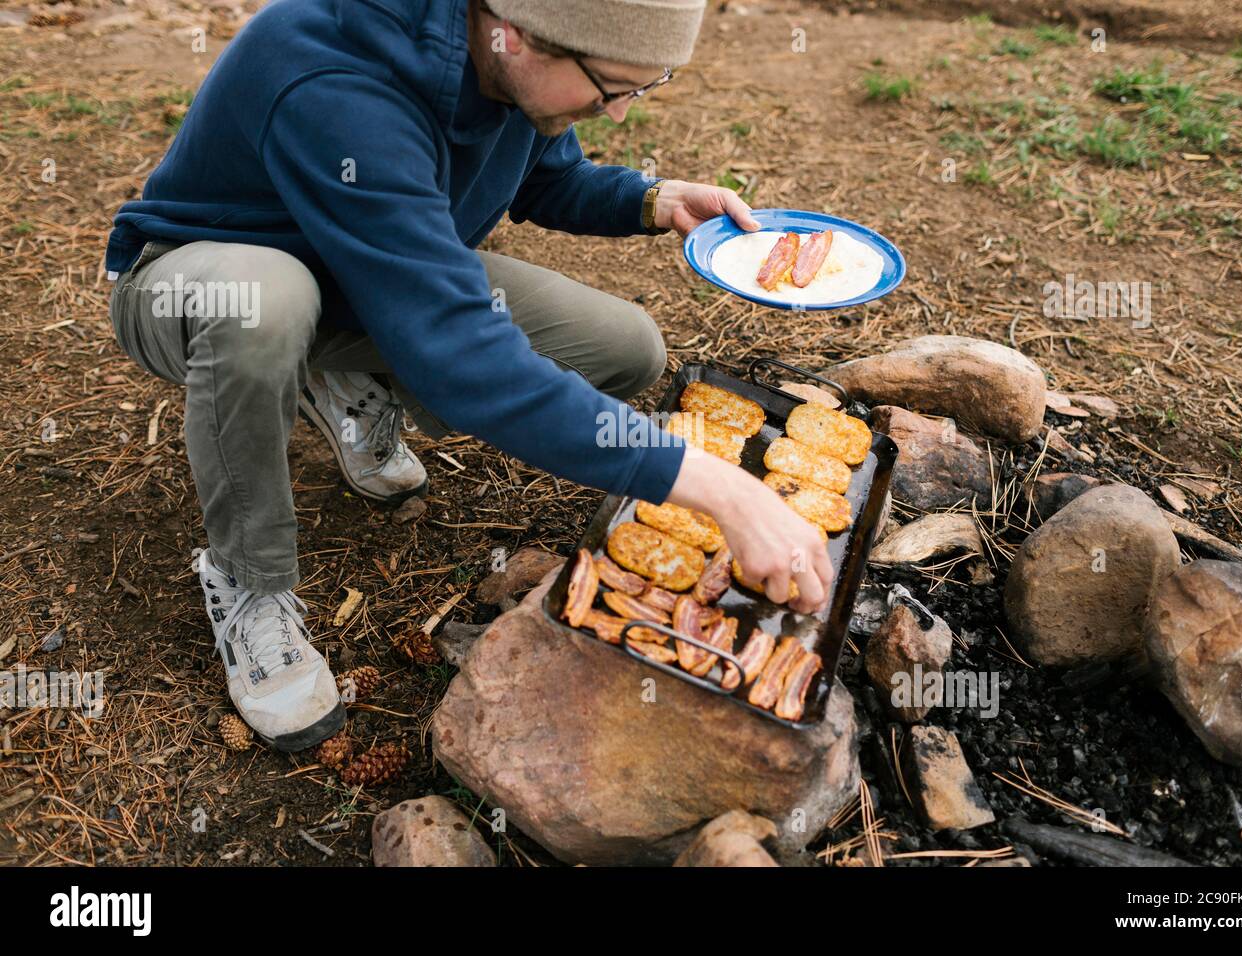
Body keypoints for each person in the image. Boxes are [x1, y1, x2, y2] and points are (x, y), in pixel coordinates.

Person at [104, 0, 833, 752]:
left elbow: (549, 177)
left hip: (372, 274)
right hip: (198, 280)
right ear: (515, 34)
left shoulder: (509, 50)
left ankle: (340, 383)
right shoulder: (338, 73)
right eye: (611, 87)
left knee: (625, 347)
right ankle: (249, 581)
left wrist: (653, 199)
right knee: (266, 307)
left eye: (640, 91)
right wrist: (717, 488)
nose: (615, 112)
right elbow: (459, 352)